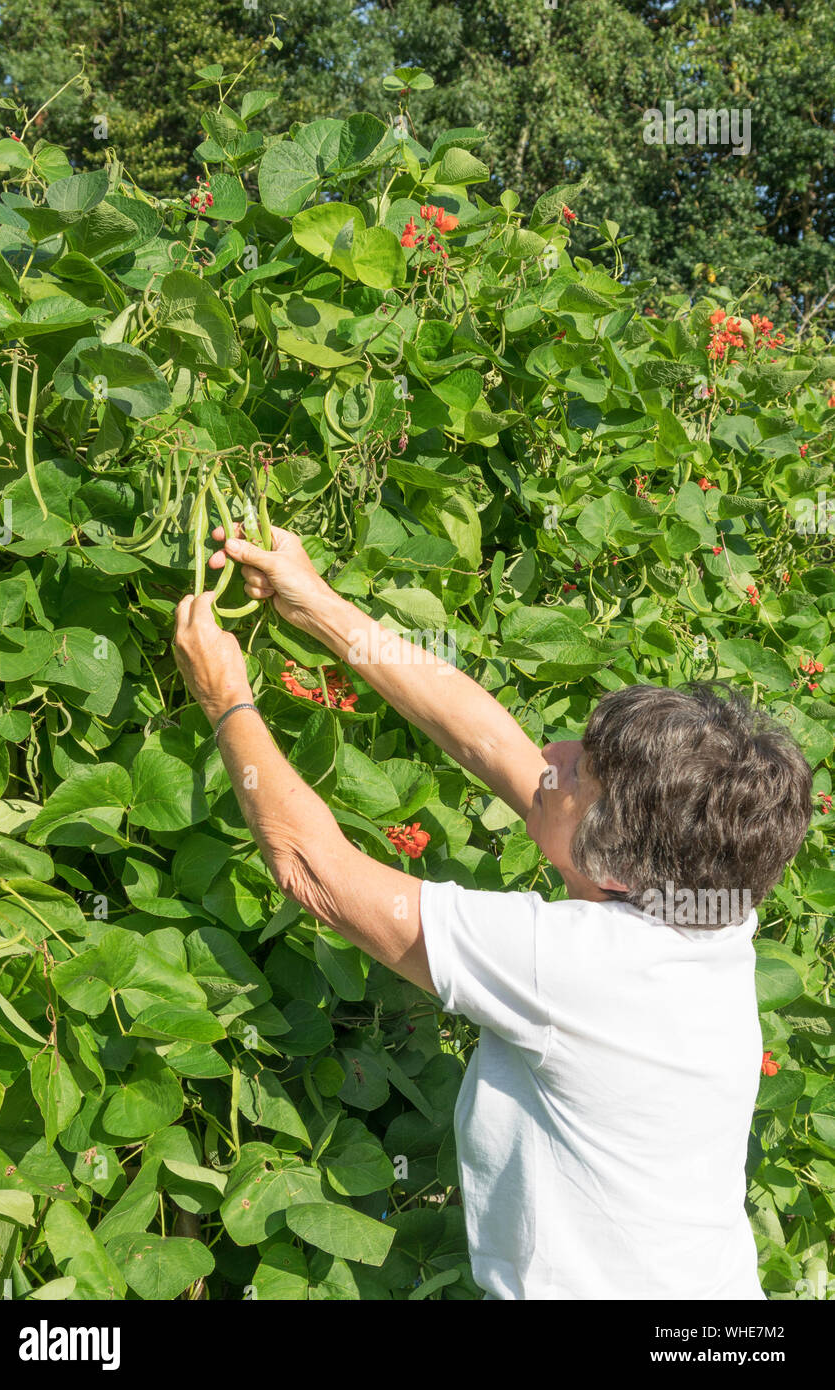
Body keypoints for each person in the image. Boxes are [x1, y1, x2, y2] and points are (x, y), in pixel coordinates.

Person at [173, 523, 812, 1301]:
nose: (551, 750)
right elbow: (489, 745)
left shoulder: (583, 969)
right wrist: (320, 607)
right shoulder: (710, 903)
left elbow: (316, 875)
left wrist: (225, 700)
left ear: (608, 863)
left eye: (579, 769)